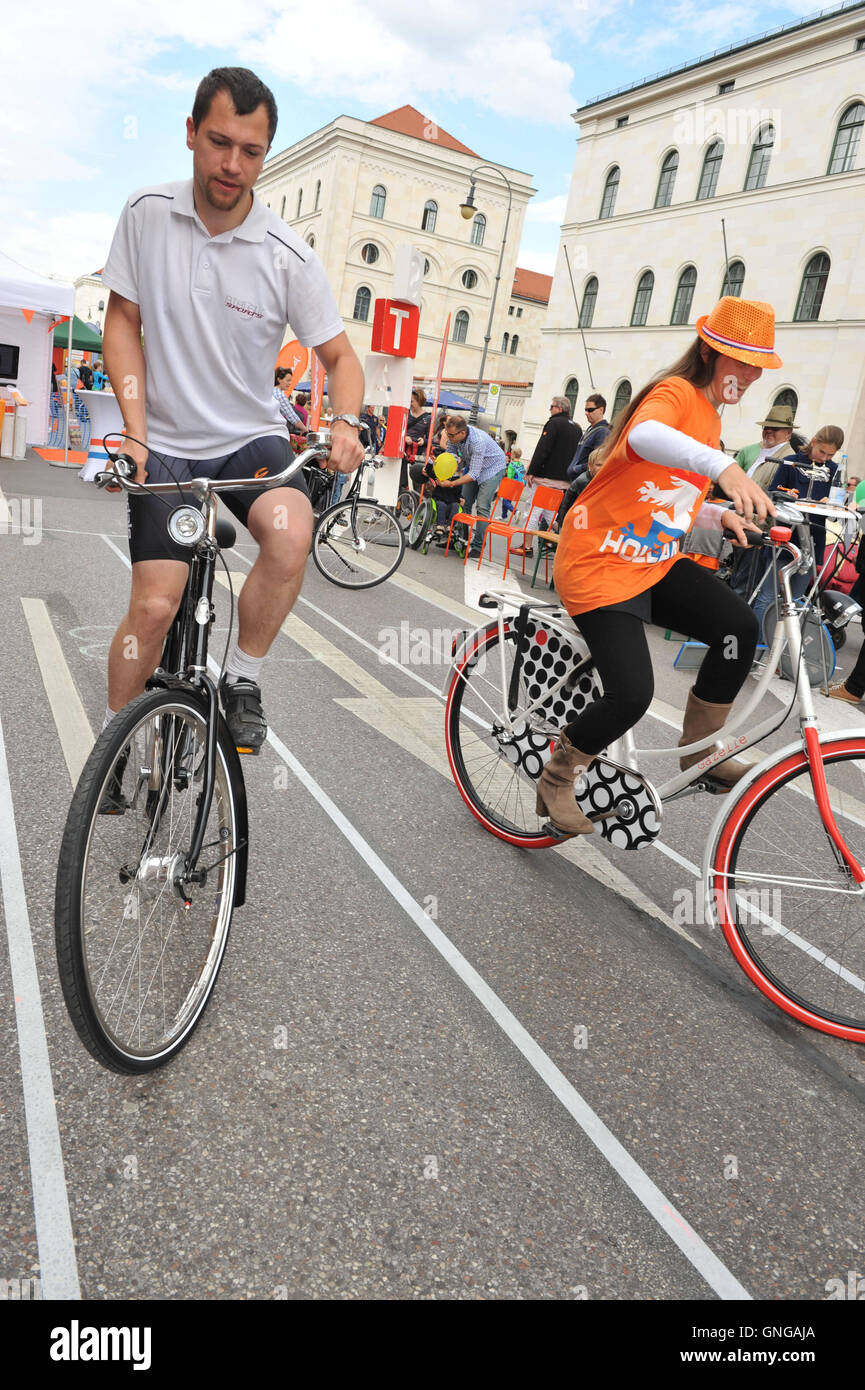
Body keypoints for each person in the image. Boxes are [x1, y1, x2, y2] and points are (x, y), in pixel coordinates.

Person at [100, 66, 364, 756]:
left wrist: (344, 423)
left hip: (247, 439)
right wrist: (134, 433)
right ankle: (115, 746)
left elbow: (342, 359)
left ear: (265, 155)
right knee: (155, 606)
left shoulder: (288, 256)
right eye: (218, 142)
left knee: (290, 529)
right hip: (163, 443)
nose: (231, 164)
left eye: (250, 151)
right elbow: (122, 320)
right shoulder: (145, 213)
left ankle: (241, 677)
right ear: (190, 133)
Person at [536, 295, 778, 838]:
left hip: (651, 559)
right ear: (714, 354)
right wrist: (723, 468)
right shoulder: (676, 394)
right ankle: (558, 775)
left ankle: (700, 751)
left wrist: (716, 515)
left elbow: (665, 497)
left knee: (738, 628)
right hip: (600, 561)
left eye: (759, 366)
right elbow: (646, 436)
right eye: (744, 362)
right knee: (632, 694)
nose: (753, 374)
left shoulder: (710, 416)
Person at [750, 425, 845, 631]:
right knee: (768, 595)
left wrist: (831, 502)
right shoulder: (790, 462)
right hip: (785, 536)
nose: (824, 458)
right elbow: (772, 494)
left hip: (813, 541)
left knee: (794, 601)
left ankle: (782, 650)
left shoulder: (835, 470)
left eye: (830, 454)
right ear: (814, 442)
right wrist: (786, 495)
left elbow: (834, 508)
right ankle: (755, 646)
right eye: (822, 452)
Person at [435, 414, 508, 558]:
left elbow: (473, 474)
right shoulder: (453, 437)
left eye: (451, 435)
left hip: (492, 468)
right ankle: (458, 540)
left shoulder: (477, 441)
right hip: (474, 466)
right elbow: (451, 458)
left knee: (482, 507)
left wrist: (451, 483)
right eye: (446, 434)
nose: (448, 438)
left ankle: (477, 546)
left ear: (462, 433)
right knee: (463, 503)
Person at [527, 396, 582, 486]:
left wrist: (532, 471)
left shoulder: (554, 423)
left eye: (552, 407)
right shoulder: (577, 428)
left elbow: (543, 449)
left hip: (548, 478)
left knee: (538, 500)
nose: (550, 409)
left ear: (559, 409)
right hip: (566, 480)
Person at [567, 394, 610, 481]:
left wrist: (576, 469)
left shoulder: (602, 432)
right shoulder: (591, 429)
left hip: (584, 483)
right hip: (576, 482)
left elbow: (598, 463)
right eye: (586, 410)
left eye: (590, 410)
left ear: (601, 410)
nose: (586, 413)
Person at [273, 367, 307, 434]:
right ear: (279, 379)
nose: (290, 383)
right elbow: (292, 416)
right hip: (274, 430)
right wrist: (304, 429)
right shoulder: (280, 395)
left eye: (290, 381)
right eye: (288, 380)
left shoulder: (270, 390)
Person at [501, 447, 525, 520]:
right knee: (506, 500)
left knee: (505, 501)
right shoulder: (521, 465)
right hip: (518, 487)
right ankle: (504, 516)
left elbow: (510, 477)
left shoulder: (511, 465)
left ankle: (515, 511)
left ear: (513, 455)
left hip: (510, 485)